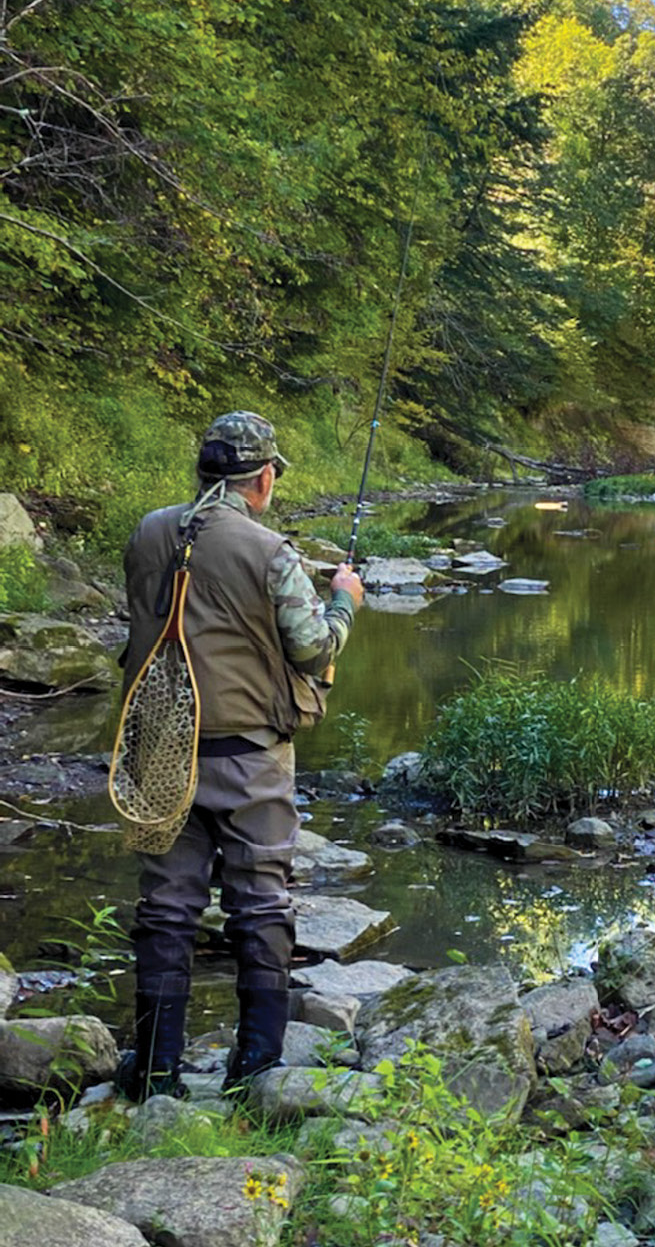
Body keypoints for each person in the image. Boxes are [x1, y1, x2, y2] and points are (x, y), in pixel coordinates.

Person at [116, 411, 364, 1100]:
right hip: (249, 755)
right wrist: (344, 601)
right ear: (262, 477)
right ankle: (255, 1068)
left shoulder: (147, 531)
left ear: (203, 471)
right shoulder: (269, 551)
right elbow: (315, 651)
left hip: (159, 748)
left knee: (166, 906)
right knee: (260, 902)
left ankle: (156, 1074)